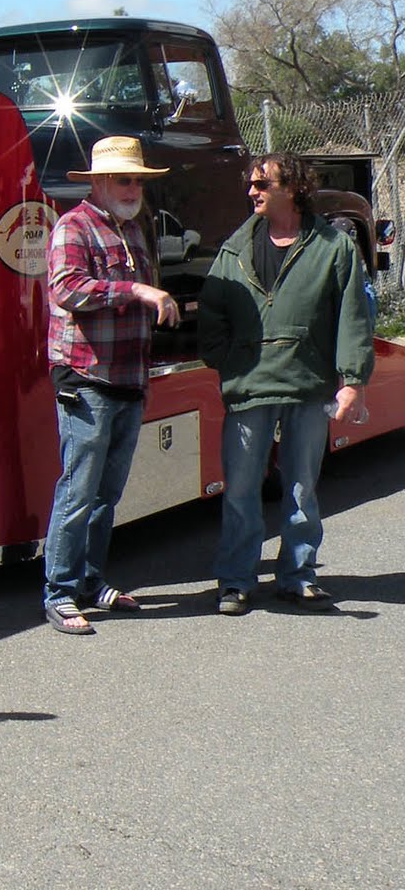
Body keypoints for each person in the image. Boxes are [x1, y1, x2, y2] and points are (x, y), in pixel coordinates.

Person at [198, 154, 375, 616]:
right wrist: (226, 361)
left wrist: (352, 381)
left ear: (292, 188)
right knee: (239, 490)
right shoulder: (234, 248)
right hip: (249, 387)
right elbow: (212, 309)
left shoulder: (333, 247)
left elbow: (353, 317)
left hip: (308, 385)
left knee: (301, 489)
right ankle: (235, 581)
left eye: (262, 183)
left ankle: (298, 576)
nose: (252, 191)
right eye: (250, 184)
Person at [42, 135, 180, 634]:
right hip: (86, 379)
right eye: (124, 179)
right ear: (98, 182)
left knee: (106, 494)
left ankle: (89, 581)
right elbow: (67, 289)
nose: (132, 187)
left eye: (137, 179)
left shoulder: (132, 230)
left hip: (125, 378)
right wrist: (139, 289)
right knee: (79, 491)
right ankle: (59, 591)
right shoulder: (72, 226)